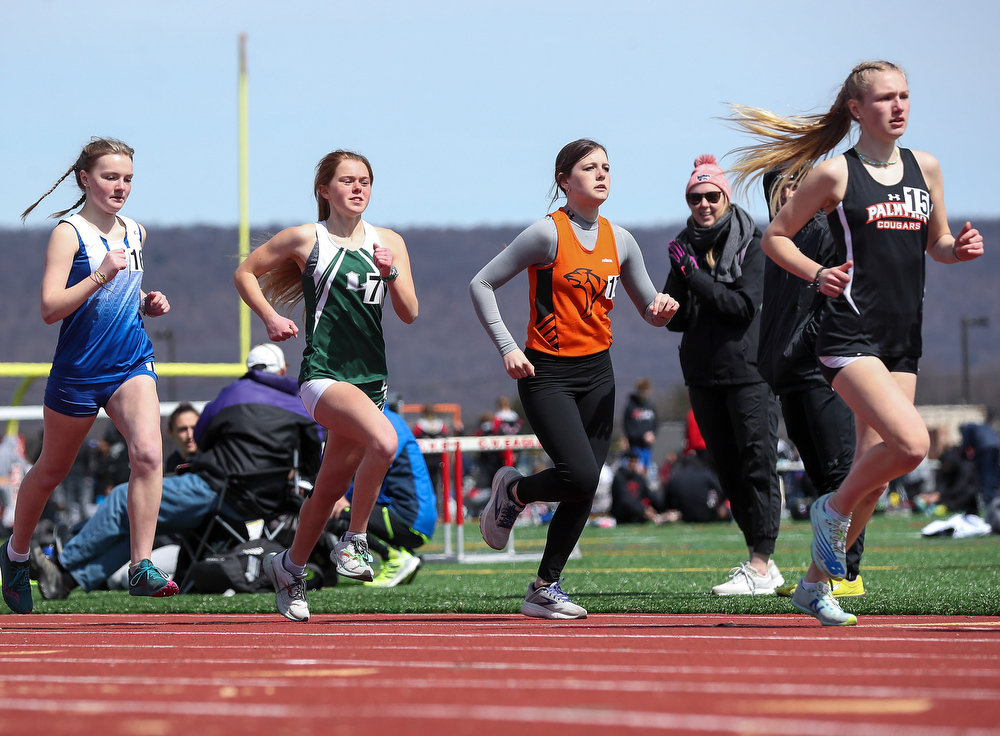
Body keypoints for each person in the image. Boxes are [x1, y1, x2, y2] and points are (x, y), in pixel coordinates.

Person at [728, 60, 985, 625]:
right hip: (849, 332)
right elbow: (775, 237)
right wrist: (816, 274)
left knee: (878, 466)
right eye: (886, 98)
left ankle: (814, 585)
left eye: (905, 96)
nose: (899, 107)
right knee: (912, 446)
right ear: (856, 110)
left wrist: (955, 249)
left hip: (901, 337)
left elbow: (936, 242)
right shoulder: (834, 175)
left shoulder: (928, 168)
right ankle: (830, 510)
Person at [470, 138, 679, 619]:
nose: (602, 174)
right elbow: (480, 283)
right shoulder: (547, 234)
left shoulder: (621, 239)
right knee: (581, 474)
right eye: (590, 167)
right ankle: (515, 492)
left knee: (584, 487)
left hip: (598, 373)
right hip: (547, 373)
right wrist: (507, 346)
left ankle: (544, 587)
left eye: (607, 166)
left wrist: (662, 309)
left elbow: (649, 309)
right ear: (565, 181)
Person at [234, 149, 418, 622]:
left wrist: (390, 271)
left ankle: (289, 567)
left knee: (327, 488)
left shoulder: (389, 241)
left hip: (371, 379)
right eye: (347, 181)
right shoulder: (306, 238)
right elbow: (245, 273)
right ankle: (354, 542)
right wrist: (272, 317)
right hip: (323, 375)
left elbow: (409, 311)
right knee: (385, 439)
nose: (358, 188)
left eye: (365, 181)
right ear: (324, 190)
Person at [1, 137, 178, 613]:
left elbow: (122, 294)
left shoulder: (135, 231)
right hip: (79, 370)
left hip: (130, 362)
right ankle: (16, 554)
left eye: (127, 179)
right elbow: (50, 308)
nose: (120, 187)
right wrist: (100, 273)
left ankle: (142, 565)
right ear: (85, 178)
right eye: (110, 177)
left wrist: (147, 301)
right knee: (51, 471)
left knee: (147, 454)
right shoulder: (69, 233)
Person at [28, 343, 323, 599]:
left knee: (124, 498)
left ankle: (62, 563)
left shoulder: (234, 394)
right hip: (264, 503)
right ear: (283, 371)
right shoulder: (301, 406)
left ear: (249, 369)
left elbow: (201, 437)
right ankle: (66, 582)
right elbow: (312, 461)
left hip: (216, 490)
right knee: (141, 526)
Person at [663, 154, 784, 597]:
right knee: (729, 472)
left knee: (757, 463)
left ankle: (762, 559)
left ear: (726, 198)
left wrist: (692, 276)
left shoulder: (754, 239)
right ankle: (760, 561)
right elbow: (678, 318)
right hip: (702, 373)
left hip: (749, 371)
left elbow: (741, 307)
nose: (704, 204)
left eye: (712, 196)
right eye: (695, 197)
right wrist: (666, 300)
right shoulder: (684, 244)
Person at [757, 171, 867, 600]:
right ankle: (826, 571)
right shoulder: (777, 239)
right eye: (781, 185)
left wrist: (798, 348)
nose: (789, 192)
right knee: (821, 475)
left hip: (823, 369)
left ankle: (848, 572)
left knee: (840, 472)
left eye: (797, 183)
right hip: (790, 373)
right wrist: (773, 358)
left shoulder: (826, 232)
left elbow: (840, 302)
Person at [329, 408, 437, 587]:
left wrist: (346, 499)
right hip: (412, 515)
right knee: (337, 508)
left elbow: (376, 465)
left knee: (334, 513)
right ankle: (403, 557)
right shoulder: (381, 418)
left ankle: (394, 556)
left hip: (409, 516)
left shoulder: (384, 420)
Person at [661, 454, 730, 524]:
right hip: (707, 515)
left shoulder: (675, 477)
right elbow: (723, 490)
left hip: (685, 517)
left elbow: (666, 500)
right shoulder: (705, 474)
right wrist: (718, 503)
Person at [609, 450, 663, 524]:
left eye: (635, 462)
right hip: (623, 514)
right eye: (632, 462)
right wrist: (643, 509)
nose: (634, 464)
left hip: (639, 510)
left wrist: (663, 505)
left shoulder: (638, 478)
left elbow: (649, 493)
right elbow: (625, 499)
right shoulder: (619, 477)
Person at [622, 378, 658, 471]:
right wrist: (642, 436)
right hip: (635, 446)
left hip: (647, 447)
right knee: (637, 470)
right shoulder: (631, 407)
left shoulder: (651, 406)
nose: (644, 394)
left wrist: (653, 435)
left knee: (646, 471)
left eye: (646, 391)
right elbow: (628, 428)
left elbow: (656, 423)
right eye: (642, 391)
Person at [164, 402, 200, 475]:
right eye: (183, 429)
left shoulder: (215, 460)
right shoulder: (170, 465)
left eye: (194, 428)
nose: (190, 435)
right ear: (170, 432)